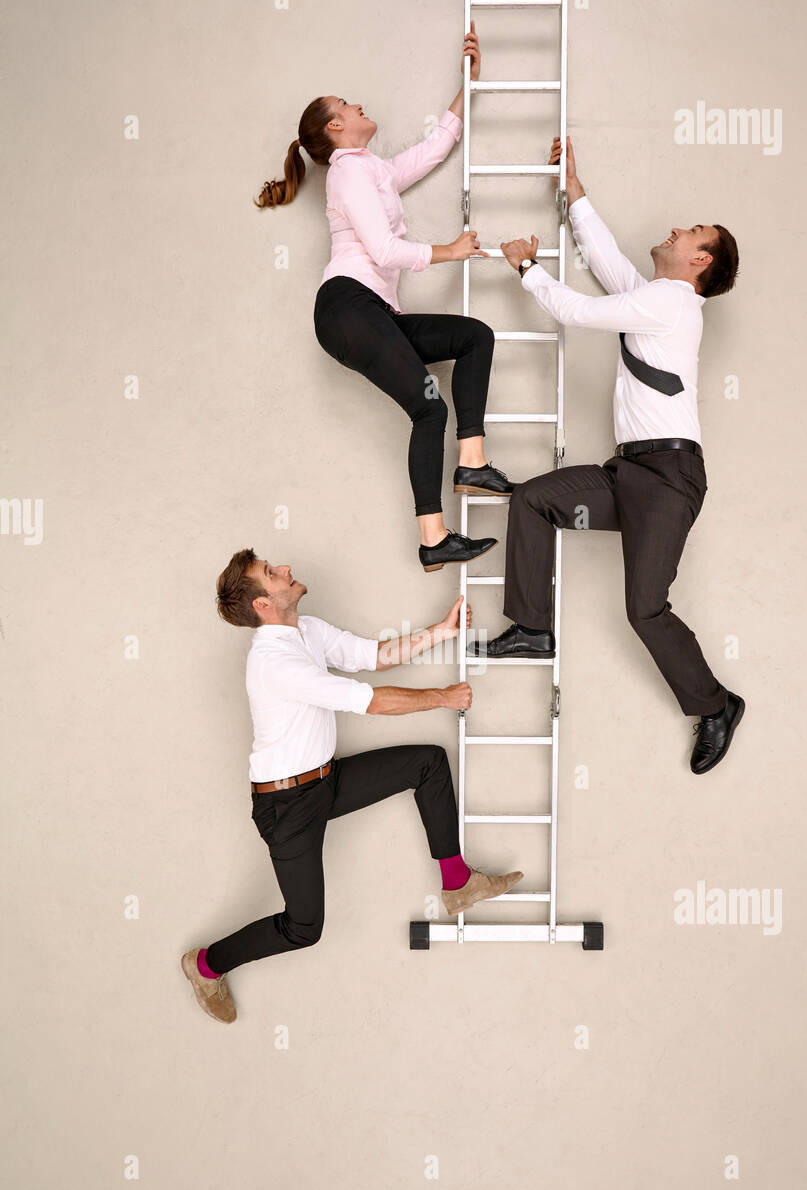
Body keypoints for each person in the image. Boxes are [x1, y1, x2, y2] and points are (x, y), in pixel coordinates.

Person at [470, 135, 745, 775]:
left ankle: (716, 705)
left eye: (689, 230)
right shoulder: (655, 300)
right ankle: (533, 628)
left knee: (645, 607)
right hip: (632, 471)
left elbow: (578, 309)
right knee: (536, 499)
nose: (674, 229)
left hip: (669, 477)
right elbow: (608, 262)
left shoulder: (671, 302)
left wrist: (525, 267)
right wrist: (573, 185)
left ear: (700, 258)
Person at [181, 550, 522, 1023]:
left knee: (427, 764)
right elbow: (370, 702)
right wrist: (442, 697)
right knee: (304, 928)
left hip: (326, 779)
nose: (283, 567)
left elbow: (373, 658)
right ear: (262, 603)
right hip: (285, 807)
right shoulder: (274, 660)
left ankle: (457, 883)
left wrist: (442, 632)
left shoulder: (307, 631)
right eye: (269, 572)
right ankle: (204, 966)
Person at [254, 22, 514, 573]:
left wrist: (469, 80)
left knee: (474, 338)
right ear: (336, 125)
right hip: (347, 307)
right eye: (348, 103)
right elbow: (382, 248)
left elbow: (435, 149)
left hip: (372, 313)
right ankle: (434, 536)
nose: (360, 103)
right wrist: (450, 250)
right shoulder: (346, 177)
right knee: (428, 406)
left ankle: (471, 461)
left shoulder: (371, 170)